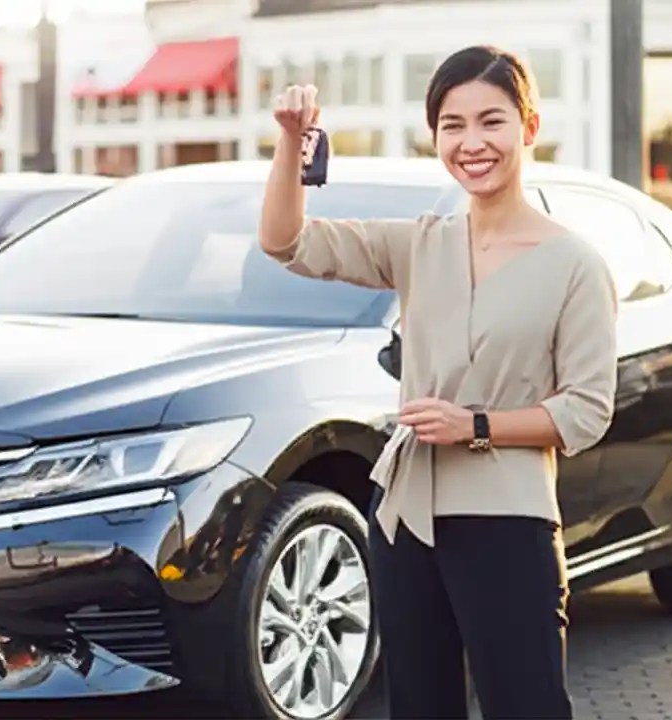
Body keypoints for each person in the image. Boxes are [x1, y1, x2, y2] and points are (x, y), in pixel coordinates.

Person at [258, 46, 618, 720]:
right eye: (452, 125)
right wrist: (289, 141)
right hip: (404, 518)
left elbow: (587, 411)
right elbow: (286, 242)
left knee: (527, 705)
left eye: (491, 122)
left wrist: (475, 425)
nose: (471, 142)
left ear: (529, 127)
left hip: (509, 520)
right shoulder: (420, 243)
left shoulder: (576, 264)